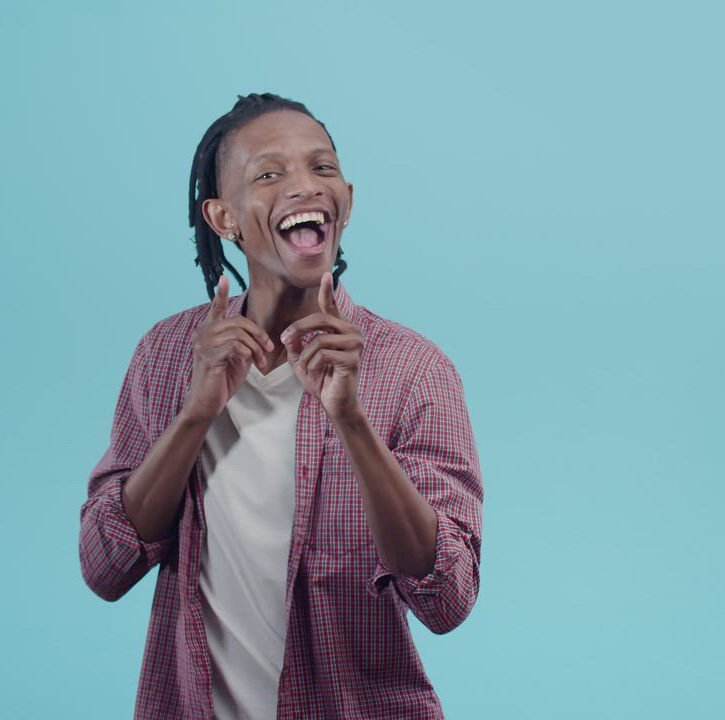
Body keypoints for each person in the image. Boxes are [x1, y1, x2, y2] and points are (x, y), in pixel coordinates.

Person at [79, 92, 483, 719]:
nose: (304, 186)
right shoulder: (166, 354)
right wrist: (195, 414)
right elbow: (105, 568)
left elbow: (447, 600)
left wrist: (351, 420)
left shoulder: (414, 370)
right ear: (223, 217)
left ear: (346, 197)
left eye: (322, 168)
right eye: (269, 174)